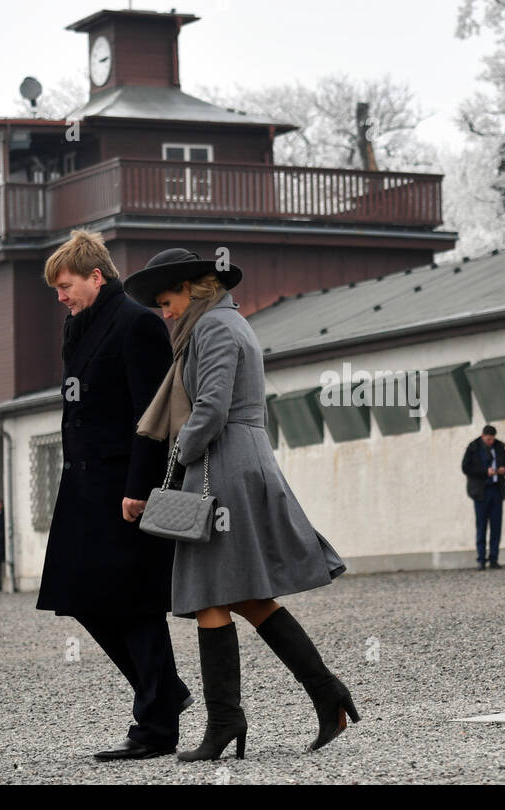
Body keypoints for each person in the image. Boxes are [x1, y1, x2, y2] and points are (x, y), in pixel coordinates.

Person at [128, 247, 356, 762]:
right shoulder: (227, 323)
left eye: (166, 302)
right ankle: (327, 694)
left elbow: (211, 406)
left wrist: (180, 452)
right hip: (237, 459)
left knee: (211, 591)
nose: (163, 313)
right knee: (246, 595)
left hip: (222, 463)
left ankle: (227, 721)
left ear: (190, 289)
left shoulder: (211, 329)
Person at [35, 230, 193, 761]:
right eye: (57, 288)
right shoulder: (77, 326)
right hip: (82, 484)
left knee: (134, 604)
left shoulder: (137, 323)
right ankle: (166, 694)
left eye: (67, 285)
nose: (60, 295)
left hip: (123, 486)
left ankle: (155, 727)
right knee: (79, 595)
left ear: (96, 277)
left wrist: (141, 487)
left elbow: (150, 416)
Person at [461, 425, 505, 570]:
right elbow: (466, 468)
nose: (491, 441)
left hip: (496, 490)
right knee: (482, 526)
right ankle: (481, 560)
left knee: (496, 526)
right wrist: (485, 472)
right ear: (483, 436)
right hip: (481, 492)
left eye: (492, 439)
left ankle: (494, 559)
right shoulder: (473, 448)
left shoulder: (499, 448)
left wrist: (504, 469)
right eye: (488, 439)